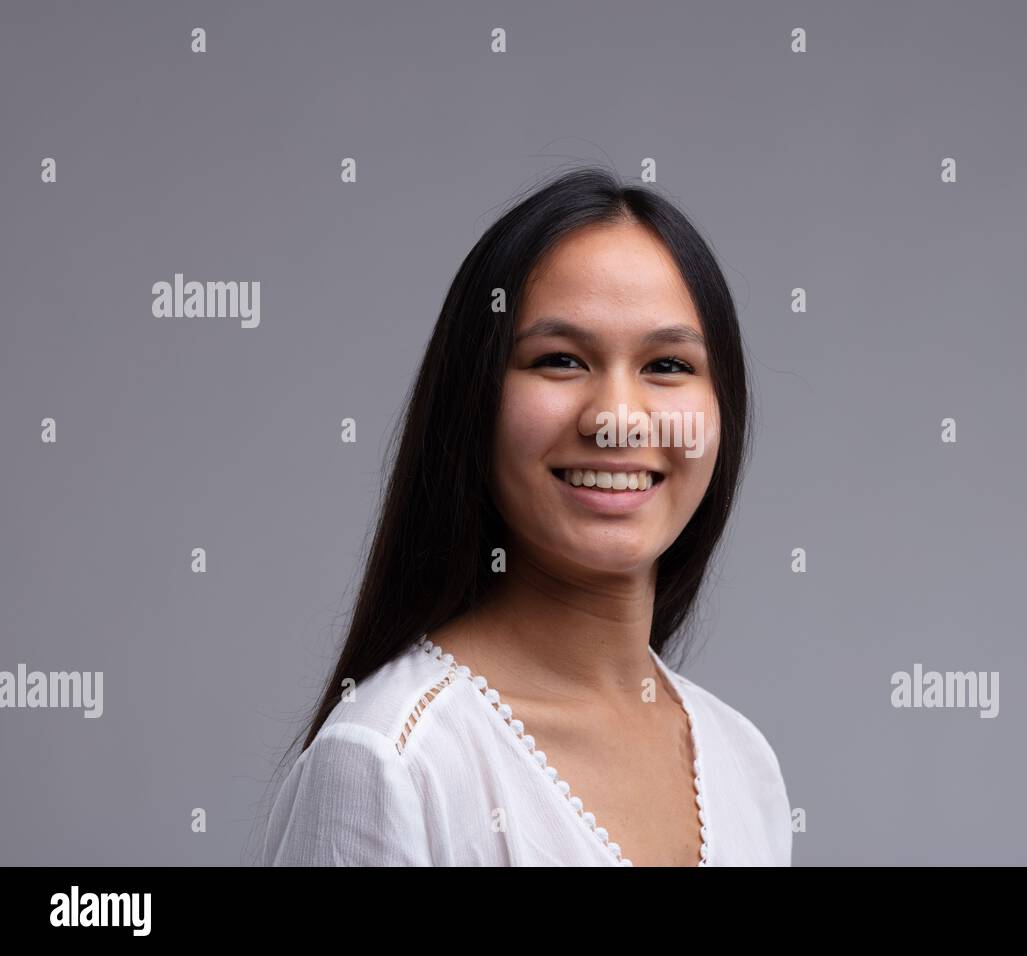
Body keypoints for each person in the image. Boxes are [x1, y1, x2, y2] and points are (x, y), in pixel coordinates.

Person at [261, 166, 792, 866]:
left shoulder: (743, 764)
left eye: (667, 365)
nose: (616, 421)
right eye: (561, 359)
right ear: (473, 400)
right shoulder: (392, 763)